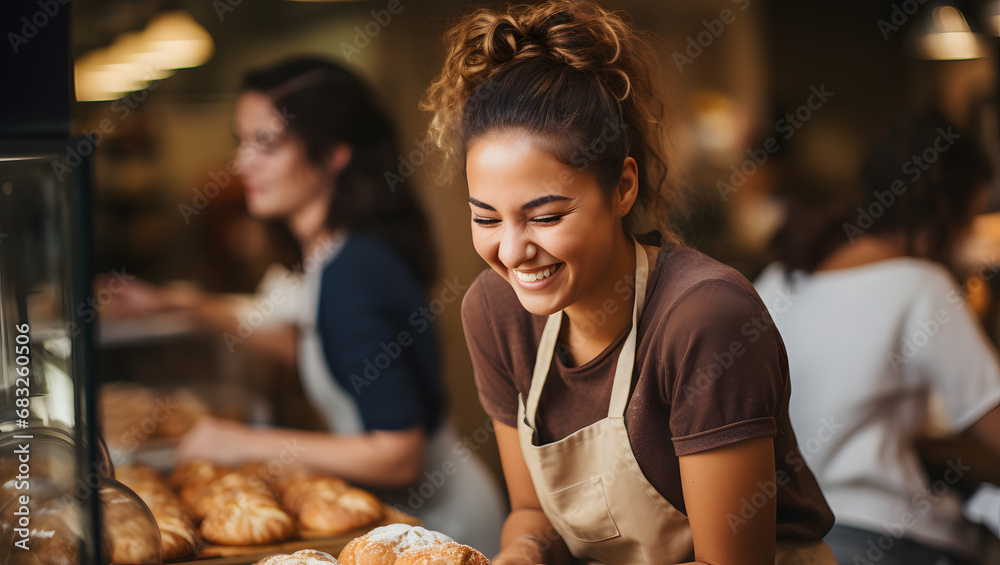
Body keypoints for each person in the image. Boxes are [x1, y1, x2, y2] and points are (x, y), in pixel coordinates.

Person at [421, 2, 836, 564]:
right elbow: (532, 513)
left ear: (622, 187)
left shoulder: (704, 318)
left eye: (545, 217)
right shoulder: (496, 312)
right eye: (487, 218)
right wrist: (520, 553)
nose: (513, 251)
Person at [109, 56, 505, 554]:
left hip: (441, 528)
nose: (241, 163)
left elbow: (398, 454)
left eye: (266, 144)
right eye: (242, 142)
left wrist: (242, 441)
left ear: (334, 154)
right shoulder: (334, 253)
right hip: (402, 523)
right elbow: (319, 347)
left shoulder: (353, 272)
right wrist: (183, 304)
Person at [754, 114, 1000, 565]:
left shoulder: (778, 279)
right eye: (969, 221)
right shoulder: (920, 284)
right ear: (946, 212)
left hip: (783, 538)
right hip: (883, 536)